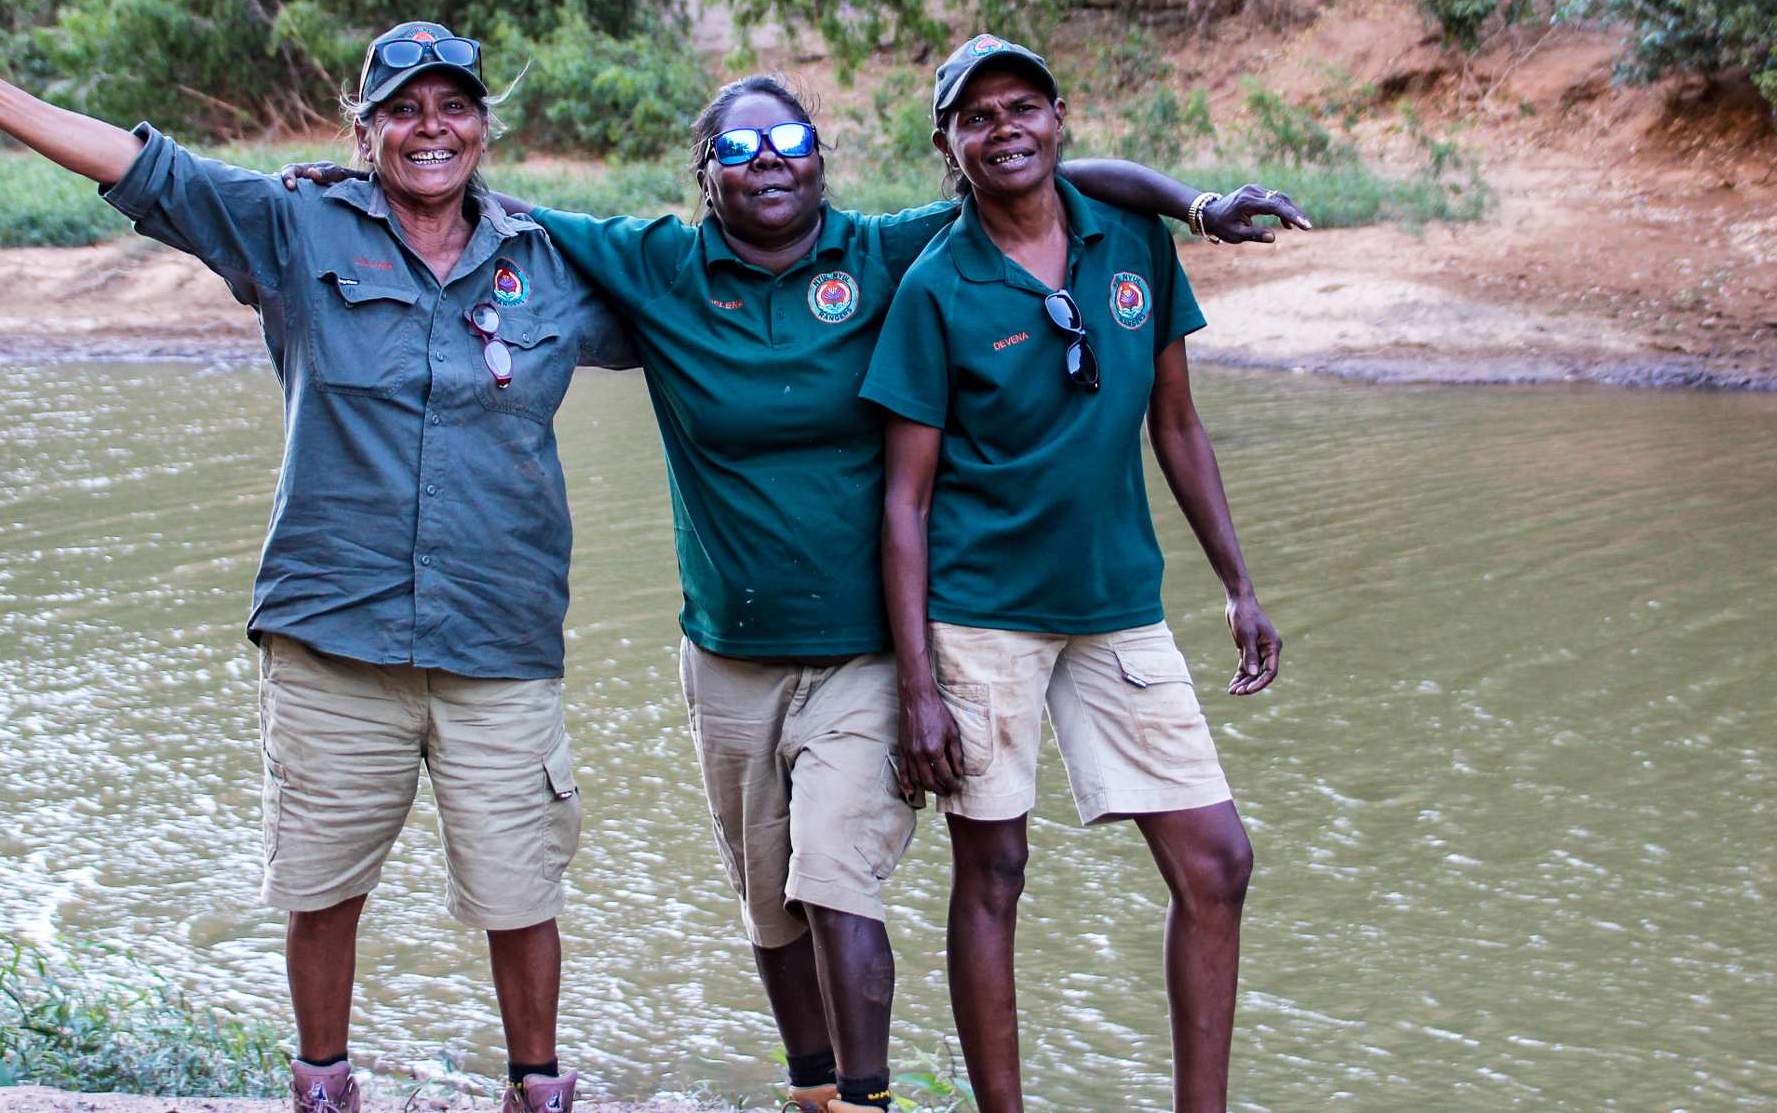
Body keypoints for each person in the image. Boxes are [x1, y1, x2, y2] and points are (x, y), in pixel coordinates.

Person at [287, 69, 1303, 1111]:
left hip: (867, 642)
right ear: (703, 174)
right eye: (736, 147)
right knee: (770, 901)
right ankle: (813, 1089)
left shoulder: (885, 253)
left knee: (834, 877)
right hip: (726, 646)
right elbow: (496, 209)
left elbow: (1023, 174)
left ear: (821, 156)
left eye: (786, 138)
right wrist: (363, 185)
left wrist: (1189, 203)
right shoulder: (660, 266)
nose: (764, 159)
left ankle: (863, 1099)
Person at [0, 15, 635, 1113]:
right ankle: (323, 1087)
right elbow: (148, 170)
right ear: (365, 129)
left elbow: (702, 304)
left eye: (453, 105)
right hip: (334, 636)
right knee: (322, 889)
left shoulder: (548, 259)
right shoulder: (295, 229)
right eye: (403, 111)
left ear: (483, 122)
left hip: (498, 639)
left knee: (522, 894)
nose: (432, 128)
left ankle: (537, 1091)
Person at [864, 34, 1283, 1113]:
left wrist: (1237, 584)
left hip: (1115, 607)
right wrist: (917, 685)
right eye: (976, 117)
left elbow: (1177, 425)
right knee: (992, 872)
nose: (1004, 129)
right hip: (981, 613)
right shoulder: (936, 286)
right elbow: (902, 500)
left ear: (1060, 119)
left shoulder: (1129, 241)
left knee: (1214, 861)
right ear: (948, 146)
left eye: (1023, 108)